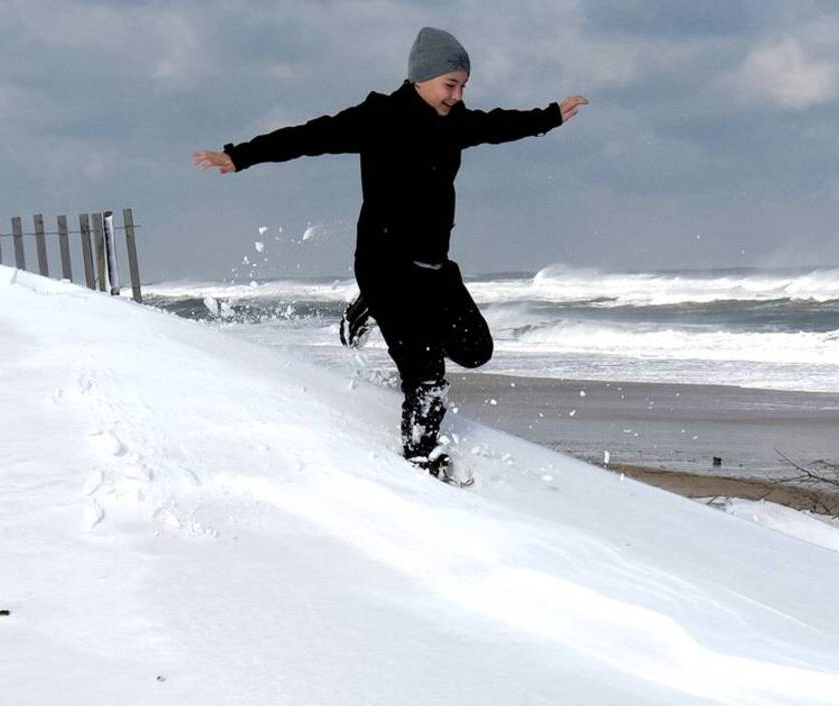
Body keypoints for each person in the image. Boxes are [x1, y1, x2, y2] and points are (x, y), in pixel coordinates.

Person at [195, 27, 587, 480]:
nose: (457, 96)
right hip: (385, 269)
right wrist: (238, 156)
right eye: (450, 85)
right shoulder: (378, 117)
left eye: (463, 87)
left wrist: (551, 116)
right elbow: (308, 137)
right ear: (422, 77)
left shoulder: (454, 123)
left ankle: (369, 310)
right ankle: (421, 462)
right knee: (426, 377)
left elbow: (499, 125)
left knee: (476, 350)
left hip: (434, 269)